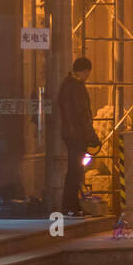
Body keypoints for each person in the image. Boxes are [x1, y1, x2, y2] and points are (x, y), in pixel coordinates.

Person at [56, 57, 98, 217]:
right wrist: (91, 135)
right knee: (76, 170)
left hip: (70, 134)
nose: (88, 75)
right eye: (88, 72)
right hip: (76, 135)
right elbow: (82, 114)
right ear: (85, 70)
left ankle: (72, 205)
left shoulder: (67, 85)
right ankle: (70, 206)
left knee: (74, 169)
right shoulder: (76, 87)